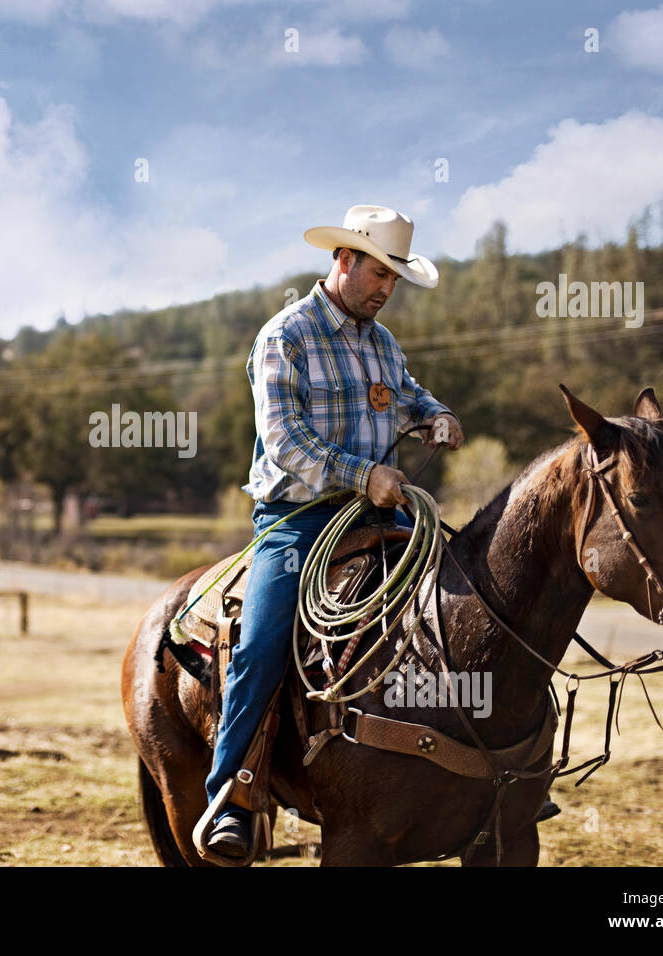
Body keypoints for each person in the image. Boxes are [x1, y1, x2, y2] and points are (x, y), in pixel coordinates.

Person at [203, 204, 464, 858]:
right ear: (342, 260)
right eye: (377, 273)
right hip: (298, 519)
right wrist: (360, 474)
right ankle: (231, 797)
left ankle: (491, 769)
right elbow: (284, 440)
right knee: (262, 642)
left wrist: (436, 417)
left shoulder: (382, 342)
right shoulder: (284, 336)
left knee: (468, 602)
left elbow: (408, 395)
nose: (384, 289)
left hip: (383, 515)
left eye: (394, 280)